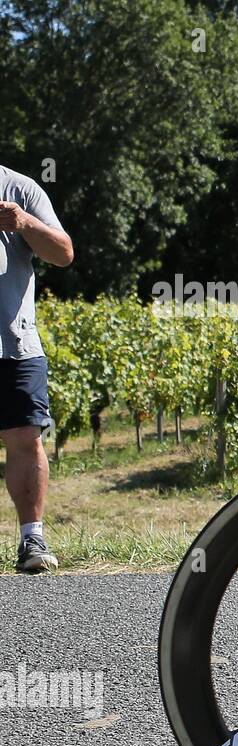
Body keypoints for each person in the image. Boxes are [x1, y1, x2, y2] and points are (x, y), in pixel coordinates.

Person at [1, 165, 74, 574]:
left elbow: (63, 253)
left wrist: (25, 222)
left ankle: (32, 537)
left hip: (14, 341)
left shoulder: (20, 188)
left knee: (26, 437)